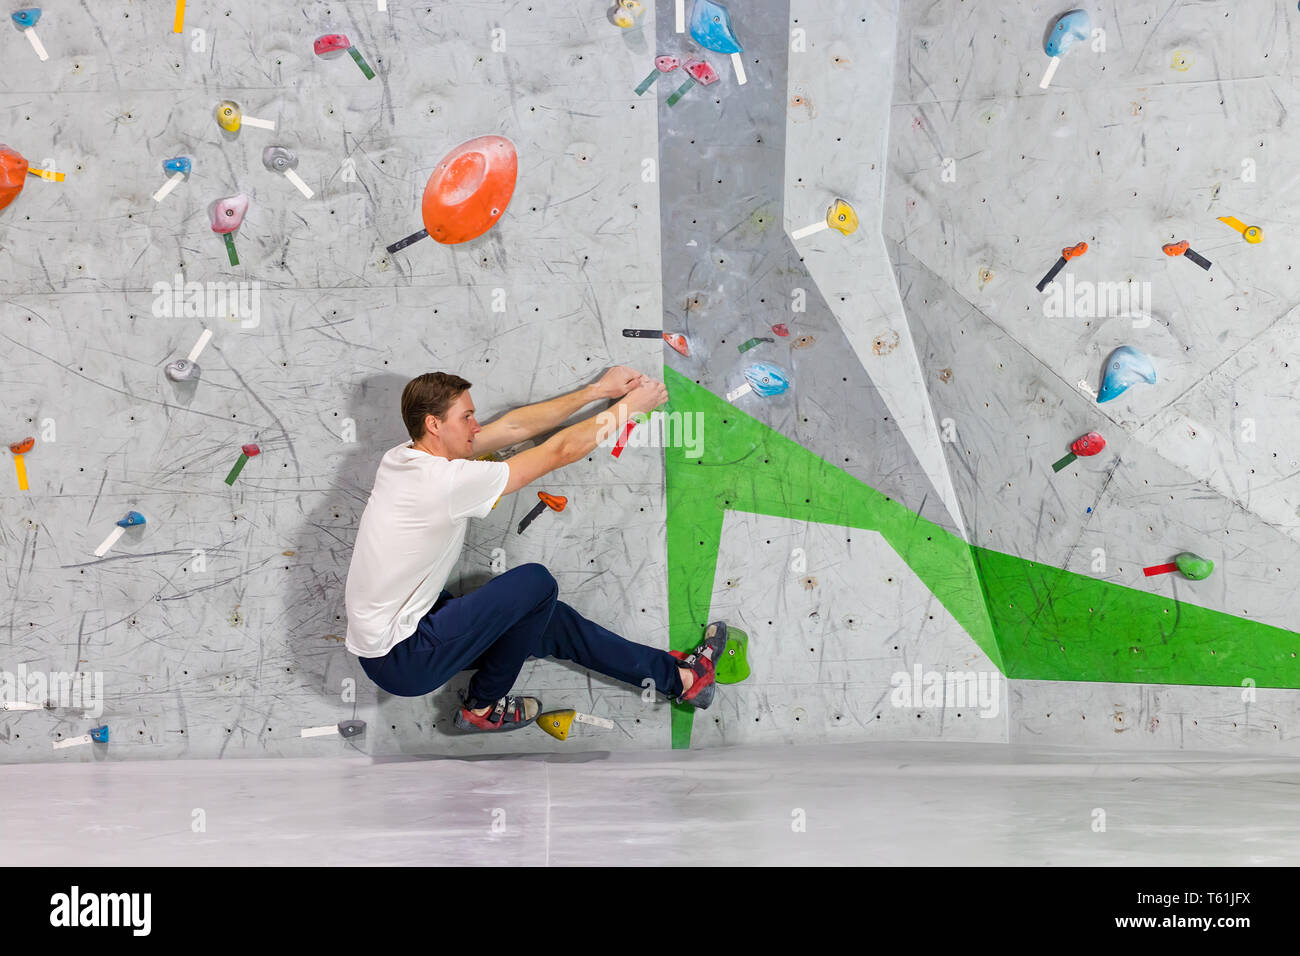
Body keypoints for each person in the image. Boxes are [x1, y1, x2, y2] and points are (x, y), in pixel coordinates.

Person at [343, 367, 726, 732]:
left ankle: (684, 680)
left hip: (404, 634)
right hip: (404, 656)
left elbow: (514, 427)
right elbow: (559, 451)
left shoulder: (403, 457)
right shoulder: (443, 481)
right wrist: (629, 409)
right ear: (434, 424)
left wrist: (599, 391)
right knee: (535, 584)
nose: (476, 427)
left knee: (550, 621)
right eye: (467, 417)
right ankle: (483, 706)